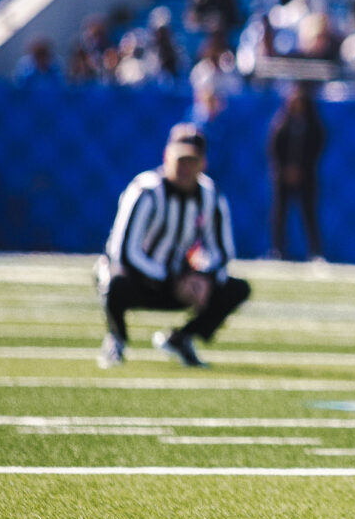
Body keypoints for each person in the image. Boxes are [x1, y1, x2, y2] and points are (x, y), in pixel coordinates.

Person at [98, 124, 251, 368]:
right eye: (180, 159)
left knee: (237, 288)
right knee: (112, 280)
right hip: (141, 278)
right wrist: (171, 278)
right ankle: (116, 339)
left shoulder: (210, 195)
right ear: (166, 156)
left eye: (192, 160)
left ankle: (181, 339)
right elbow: (123, 251)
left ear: (203, 163)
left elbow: (221, 252)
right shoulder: (146, 191)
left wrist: (203, 276)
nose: (185, 167)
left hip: (181, 282)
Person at [267, 82, 326, 261]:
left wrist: (302, 169)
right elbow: (273, 149)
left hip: (306, 176)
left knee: (308, 213)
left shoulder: (312, 125)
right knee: (280, 214)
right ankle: (277, 249)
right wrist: (284, 169)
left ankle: (315, 251)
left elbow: (317, 148)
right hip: (283, 177)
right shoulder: (281, 124)